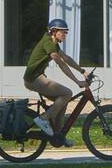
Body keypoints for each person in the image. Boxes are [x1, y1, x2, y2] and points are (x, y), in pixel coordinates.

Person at [23, 18, 88, 147]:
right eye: (62, 32)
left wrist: (82, 71)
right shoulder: (48, 42)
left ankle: (59, 136)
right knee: (67, 93)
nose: (65, 34)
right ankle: (43, 119)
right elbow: (61, 63)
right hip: (33, 79)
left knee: (62, 101)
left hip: (37, 78)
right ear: (53, 32)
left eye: (66, 32)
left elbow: (66, 58)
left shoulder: (52, 42)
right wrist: (77, 82)